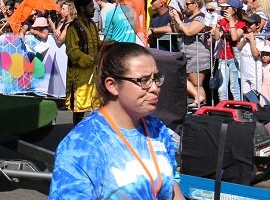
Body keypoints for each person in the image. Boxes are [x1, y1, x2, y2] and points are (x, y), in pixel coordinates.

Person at [50, 42, 185, 200]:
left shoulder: (158, 130)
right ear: (112, 85)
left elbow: (171, 188)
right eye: (144, 80)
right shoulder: (81, 146)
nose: (155, 87)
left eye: (156, 78)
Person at [65, 0, 101, 125]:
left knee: (94, 106)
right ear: (82, 8)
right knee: (79, 109)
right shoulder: (73, 28)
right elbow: (73, 52)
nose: (94, 9)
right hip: (79, 76)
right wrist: (92, 59)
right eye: (91, 6)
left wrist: (107, 45)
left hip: (93, 73)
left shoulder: (92, 25)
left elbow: (97, 44)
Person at [170, 0, 211, 108]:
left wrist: (179, 20)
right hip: (186, 53)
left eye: (187, 4)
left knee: (197, 84)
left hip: (198, 54)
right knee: (189, 81)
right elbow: (178, 30)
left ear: (196, 4)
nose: (186, 7)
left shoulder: (201, 17)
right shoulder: (188, 17)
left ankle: (202, 108)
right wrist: (175, 19)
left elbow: (189, 31)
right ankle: (197, 103)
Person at [213, 0, 246, 101]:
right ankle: (223, 109)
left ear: (235, 10)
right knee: (221, 89)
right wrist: (218, 26)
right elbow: (217, 37)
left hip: (234, 59)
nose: (225, 10)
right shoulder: (223, 21)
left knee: (234, 87)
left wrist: (231, 22)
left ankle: (238, 108)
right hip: (223, 57)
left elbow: (235, 37)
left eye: (228, 8)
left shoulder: (242, 24)